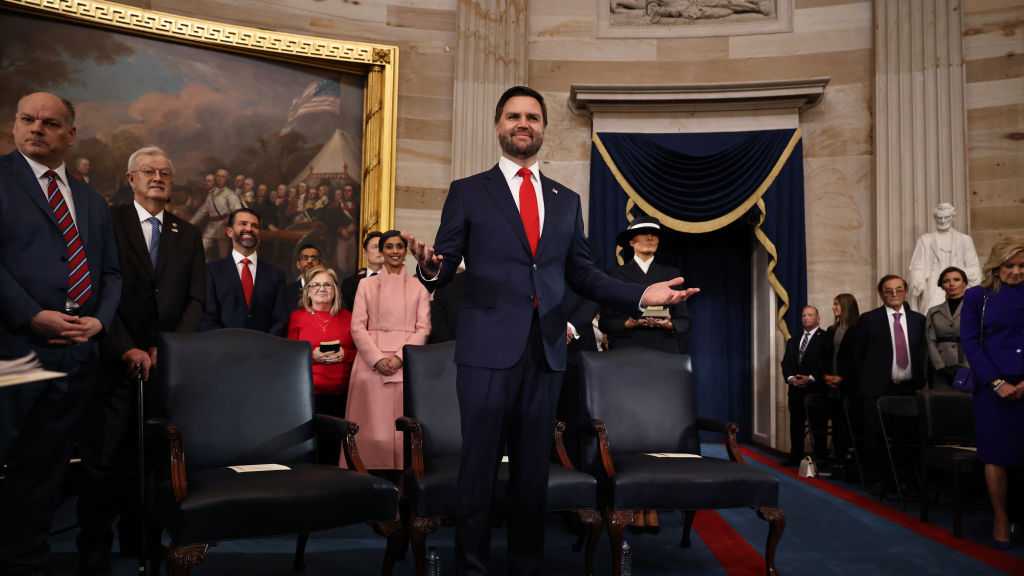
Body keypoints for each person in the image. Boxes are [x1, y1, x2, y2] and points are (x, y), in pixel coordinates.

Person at [404, 85, 697, 575]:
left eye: (533, 117)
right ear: (498, 126)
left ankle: (525, 565)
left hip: (546, 353)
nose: (524, 123)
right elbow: (443, 262)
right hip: (485, 353)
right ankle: (472, 566)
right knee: (477, 470)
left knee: (531, 474)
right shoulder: (468, 191)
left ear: (543, 128)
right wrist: (430, 268)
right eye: (515, 116)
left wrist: (643, 294)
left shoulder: (566, 200)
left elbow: (583, 274)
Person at [0, 92, 121, 575]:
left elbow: (111, 274)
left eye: (50, 123)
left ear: (70, 134)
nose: (36, 129)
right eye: (27, 120)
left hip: (76, 356)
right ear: (14, 125)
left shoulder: (91, 199)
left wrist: (100, 321)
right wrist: (31, 314)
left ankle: (26, 559)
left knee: (45, 473)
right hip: (13, 353)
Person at [76, 146, 205, 574]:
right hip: (113, 365)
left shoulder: (186, 234)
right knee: (105, 462)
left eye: (165, 172)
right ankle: (94, 549)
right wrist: (125, 347)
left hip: (162, 370)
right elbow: (93, 291)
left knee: (154, 466)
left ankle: (144, 543)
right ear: (131, 178)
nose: (158, 177)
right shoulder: (106, 224)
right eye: (148, 171)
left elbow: (195, 299)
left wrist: (165, 349)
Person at [345, 231, 430, 472]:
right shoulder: (366, 284)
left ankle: (405, 489)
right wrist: (377, 359)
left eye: (399, 247)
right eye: (389, 247)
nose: (394, 251)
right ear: (381, 252)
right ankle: (362, 483)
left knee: (401, 433)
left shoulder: (418, 286)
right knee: (371, 430)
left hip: (406, 364)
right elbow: (357, 326)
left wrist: (400, 357)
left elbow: (423, 328)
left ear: (405, 251)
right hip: (370, 364)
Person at [961, 238, 1024, 549]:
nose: (1015, 272)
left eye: (1021, 266)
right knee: (996, 455)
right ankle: (1000, 518)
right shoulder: (977, 297)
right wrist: (997, 383)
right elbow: (971, 343)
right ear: (996, 267)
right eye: (1009, 266)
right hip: (991, 389)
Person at [850, 274, 927, 490]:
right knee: (876, 438)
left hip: (910, 389)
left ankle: (906, 480)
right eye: (888, 290)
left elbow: (924, 355)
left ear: (905, 291)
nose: (894, 294)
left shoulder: (919, 321)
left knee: (907, 438)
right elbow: (857, 356)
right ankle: (880, 481)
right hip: (877, 390)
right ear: (881, 294)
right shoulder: (868, 320)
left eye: (899, 289)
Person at [600, 216, 690, 354]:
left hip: (664, 350)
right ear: (631, 241)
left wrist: (669, 324)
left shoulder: (672, 275)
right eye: (643, 233)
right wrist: (629, 323)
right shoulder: (615, 275)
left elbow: (683, 322)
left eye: (654, 234)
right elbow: (605, 322)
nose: (650, 237)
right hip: (626, 350)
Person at [200, 208, 289, 336]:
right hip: (223, 350)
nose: (249, 229)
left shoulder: (276, 274)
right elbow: (207, 317)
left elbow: (280, 320)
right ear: (229, 232)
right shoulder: (211, 271)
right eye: (243, 224)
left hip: (266, 352)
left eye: (255, 226)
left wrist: (266, 347)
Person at [288, 266, 355, 417]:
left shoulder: (349, 317)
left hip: (343, 393)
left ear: (335, 290)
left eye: (327, 284)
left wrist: (345, 355)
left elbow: (360, 353)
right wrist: (311, 357)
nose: (322, 289)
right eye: (316, 284)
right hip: (307, 393)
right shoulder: (297, 317)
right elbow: (290, 356)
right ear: (308, 291)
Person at [781, 306, 832, 466]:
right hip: (795, 390)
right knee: (796, 425)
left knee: (818, 426)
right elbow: (786, 363)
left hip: (816, 391)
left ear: (818, 318)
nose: (806, 318)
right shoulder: (793, 340)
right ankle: (795, 456)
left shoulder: (825, 338)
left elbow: (826, 363)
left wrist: (810, 378)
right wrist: (790, 378)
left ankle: (820, 459)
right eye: (803, 315)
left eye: (810, 315)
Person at [909, 202, 981, 312]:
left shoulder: (964, 240)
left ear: (952, 217)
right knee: (931, 312)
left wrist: (959, 276)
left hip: (957, 283)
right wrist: (918, 281)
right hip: (934, 283)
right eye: (939, 218)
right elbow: (917, 266)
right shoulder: (925, 240)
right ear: (935, 218)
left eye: (946, 217)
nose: (942, 221)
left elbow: (974, 266)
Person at [823, 293, 860, 467]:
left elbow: (858, 360)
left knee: (848, 425)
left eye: (837, 304)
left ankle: (847, 461)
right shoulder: (832, 329)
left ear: (846, 306)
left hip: (850, 385)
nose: (833, 307)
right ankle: (836, 459)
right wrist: (827, 376)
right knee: (837, 422)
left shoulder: (858, 329)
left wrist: (843, 378)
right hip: (832, 385)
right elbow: (826, 356)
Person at [926, 266, 969, 390]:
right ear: (942, 285)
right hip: (941, 367)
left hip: (969, 364)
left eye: (956, 279)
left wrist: (969, 365)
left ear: (964, 283)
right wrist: (939, 365)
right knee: (943, 404)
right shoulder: (933, 311)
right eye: (946, 281)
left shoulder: (975, 309)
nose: (951, 284)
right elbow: (930, 341)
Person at [190, 168, 242, 261]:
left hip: (223, 227)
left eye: (223, 176)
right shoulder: (211, 194)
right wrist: (191, 223)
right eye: (218, 176)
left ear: (226, 179)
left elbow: (238, 211)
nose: (220, 178)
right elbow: (202, 211)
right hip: (211, 226)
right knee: (201, 248)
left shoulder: (230, 194)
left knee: (223, 255)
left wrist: (229, 220)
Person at [341, 230, 384, 310]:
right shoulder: (349, 283)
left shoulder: (396, 281)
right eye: (375, 247)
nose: (380, 251)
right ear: (365, 252)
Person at [285, 243, 322, 310]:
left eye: (314, 258)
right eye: (305, 258)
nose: (309, 261)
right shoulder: (287, 291)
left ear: (320, 264)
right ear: (298, 264)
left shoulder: (327, 289)